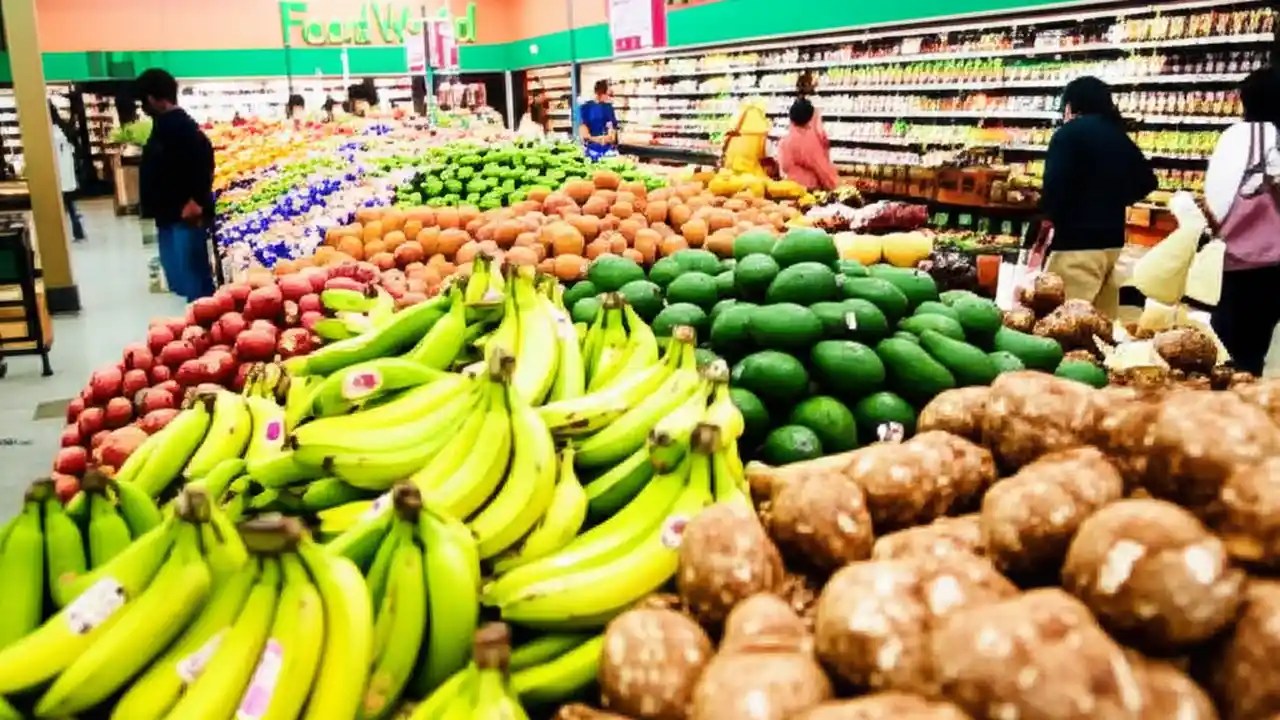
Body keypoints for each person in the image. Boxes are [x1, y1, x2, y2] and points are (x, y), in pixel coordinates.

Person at [1040, 76, 1156, 319]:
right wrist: (1110, 200)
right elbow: (1148, 181)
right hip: (1113, 242)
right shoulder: (1118, 135)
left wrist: (1050, 218)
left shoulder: (1068, 134)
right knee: (1101, 324)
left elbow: (1055, 185)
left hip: (1076, 244)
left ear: (1071, 105)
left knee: (1063, 323)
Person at [1205, 68, 1280, 375]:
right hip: (1264, 262)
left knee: (1228, 342)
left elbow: (1216, 195)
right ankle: (1240, 409)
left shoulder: (1233, 136)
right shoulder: (1269, 136)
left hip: (1230, 255)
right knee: (1250, 348)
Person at [136, 68, 216, 302]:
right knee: (182, 275)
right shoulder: (165, 125)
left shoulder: (180, 127)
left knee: (193, 278)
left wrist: (195, 200)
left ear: (152, 98)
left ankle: (205, 324)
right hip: (171, 214)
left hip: (184, 215)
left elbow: (202, 162)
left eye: (144, 100)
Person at [778, 98, 839, 191]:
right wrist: (834, 186)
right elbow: (822, 170)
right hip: (808, 190)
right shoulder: (808, 142)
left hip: (789, 188)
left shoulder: (784, 141)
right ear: (810, 118)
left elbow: (783, 167)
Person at [48, 102, 85, 242]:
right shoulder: (64, 128)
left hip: (57, 172)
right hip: (67, 172)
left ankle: (57, 234)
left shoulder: (48, 131)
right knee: (70, 204)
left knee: (57, 205)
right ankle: (77, 231)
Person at [721, 99, 773, 177]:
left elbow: (724, 155)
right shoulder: (763, 139)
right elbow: (769, 166)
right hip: (754, 182)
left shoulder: (731, 136)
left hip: (729, 180)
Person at [579, 80, 618, 161]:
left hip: (608, 150)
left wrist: (608, 138)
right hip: (591, 149)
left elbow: (612, 131)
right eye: (608, 93)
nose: (609, 96)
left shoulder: (609, 108)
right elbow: (583, 133)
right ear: (601, 92)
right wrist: (597, 139)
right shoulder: (586, 108)